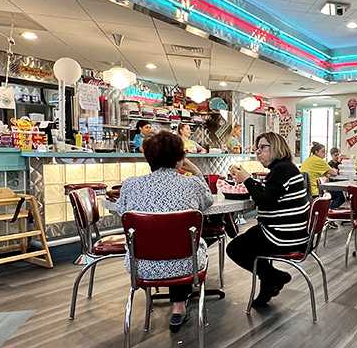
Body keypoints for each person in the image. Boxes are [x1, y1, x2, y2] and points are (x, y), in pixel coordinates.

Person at [115, 131, 214, 331]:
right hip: (187, 266)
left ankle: (176, 305)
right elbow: (208, 201)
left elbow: (121, 211)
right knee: (185, 242)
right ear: (180, 159)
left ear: (148, 158)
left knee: (167, 241)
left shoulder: (130, 185)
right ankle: (179, 306)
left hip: (141, 267)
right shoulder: (192, 184)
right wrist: (195, 170)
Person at [227, 132, 310, 308]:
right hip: (292, 232)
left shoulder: (281, 169)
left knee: (234, 248)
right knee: (250, 239)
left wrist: (247, 180)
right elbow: (270, 193)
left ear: (276, 147)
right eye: (257, 148)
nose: (258, 152)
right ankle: (269, 282)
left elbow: (265, 200)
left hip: (282, 235)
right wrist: (249, 181)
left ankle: (272, 276)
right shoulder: (284, 168)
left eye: (262, 147)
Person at [300, 142, 344, 207]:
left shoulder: (308, 159)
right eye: (323, 152)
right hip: (315, 190)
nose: (324, 154)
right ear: (316, 152)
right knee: (340, 196)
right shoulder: (318, 161)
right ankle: (328, 213)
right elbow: (334, 172)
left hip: (306, 190)